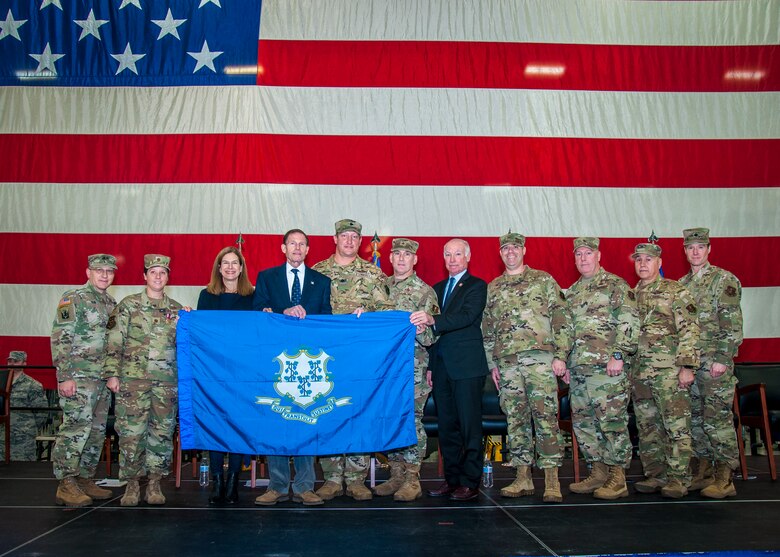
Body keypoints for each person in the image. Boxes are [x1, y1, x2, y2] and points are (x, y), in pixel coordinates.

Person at [479, 232, 570, 504]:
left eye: (515, 248)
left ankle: (552, 480)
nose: (510, 252)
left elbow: (561, 318)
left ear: (524, 250)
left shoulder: (543, 280)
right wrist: (492, 363)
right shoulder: (493, 287)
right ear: (500, 253)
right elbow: (487, 329)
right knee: (515, 420)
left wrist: (561, 355)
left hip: (540, 360)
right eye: (505, 248)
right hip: (507, 364)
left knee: (545, 418)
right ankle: (523, 477)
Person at [311, 219, 393, 501]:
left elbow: (386, 314)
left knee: (359, 412)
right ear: (334, 239)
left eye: (354, 237)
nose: (349, 240)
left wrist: (367, 314)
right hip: (325, 359)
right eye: (344, 235)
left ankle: (356, 478)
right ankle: (332, 478)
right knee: (326, 412)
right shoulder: (317, 272)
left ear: (360, 242)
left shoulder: (372, 274)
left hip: (360, 359)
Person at [253, 229, 332, 507]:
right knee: (277, 419)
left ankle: (305, 486)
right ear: (283, 248)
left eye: (302, 244)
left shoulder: (322, 281)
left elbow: (327, 321)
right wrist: (280, 313)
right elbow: (257, 312)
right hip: (275, 362)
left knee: (306, 420)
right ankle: (276, 485)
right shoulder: (266, 277)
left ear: (308, 250)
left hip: (308, 364)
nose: (297, 248)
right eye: (292, 244)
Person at [410, 238, 488, 502]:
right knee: (447, 428)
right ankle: (452, 480)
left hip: (467, 367)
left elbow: (467, 316)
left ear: (468, 257)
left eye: (457, 254)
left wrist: (433, 319)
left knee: (469, 427)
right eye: (448, 255)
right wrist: (431, 364)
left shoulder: (477, 286)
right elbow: (434, 334)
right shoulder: (438, 288)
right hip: (441, 367)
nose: (452, 259)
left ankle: (470, 481)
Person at [105, 254, 184, 507]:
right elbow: (115, 341)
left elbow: (184, 347)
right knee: (131, 433)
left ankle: (154, 483)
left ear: (168, 277)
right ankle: (131, 484)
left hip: (166, 383)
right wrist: (112, 374)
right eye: (153, 272)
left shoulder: (178, 310)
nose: (158, 276)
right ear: (144, 276)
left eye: (163, 272)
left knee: (161, 433)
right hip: (132, 381)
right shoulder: (128, 305)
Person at [565, 237, 638, 499]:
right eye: (579, 254)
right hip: (579, 369)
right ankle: (597, 473)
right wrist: (565, 361)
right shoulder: (571, 292)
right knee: (585, 424)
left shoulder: (615, 284)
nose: (583, 258)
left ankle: (617, 478)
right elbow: (565, 331)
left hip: (607, 368)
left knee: (612, 422)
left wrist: (618, 355)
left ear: (599, 256)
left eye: (588, 253)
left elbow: (628, 322)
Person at [631, 243, 700, 498]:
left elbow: (690, 329)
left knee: (676, 425)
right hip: (640, 374)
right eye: (638, 259)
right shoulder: (631, 294)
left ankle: (679, 478)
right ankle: (655, 475)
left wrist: (687, 366)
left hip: (669, 371)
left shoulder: (674, 290)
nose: (643, 263)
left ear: (659, 262)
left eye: (648, 259)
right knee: (648, 426)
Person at [679, 227, 743, 498]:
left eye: (700, 247)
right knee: (695, 419)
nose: (695, 252)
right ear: (684, 251)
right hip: (691, 364)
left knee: (717, 419)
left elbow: (732, 324)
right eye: (690, 247)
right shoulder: (681, 285)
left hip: (714, 363)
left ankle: (725, 477)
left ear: (709, 249)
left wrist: (722, 359)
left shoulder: (723, 280)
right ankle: (703, 472)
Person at [373, 238, 439, 502]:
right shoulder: (380, 289)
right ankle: (396, 475)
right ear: (390, 258)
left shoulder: (425, 292)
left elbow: (433, 338)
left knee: (411, 421)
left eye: (407, 255)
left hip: (412, 368)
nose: (401, 259)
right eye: (397, 254)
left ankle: (413, 477)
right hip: (384, 369)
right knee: (389, 419)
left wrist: (422, 329)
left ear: (415, 260)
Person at [51, 253, 118, 507]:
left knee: (97, 430)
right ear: (87, 272)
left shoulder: (111, 303)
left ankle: (85, 477)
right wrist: (64, 375)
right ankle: (66, 482)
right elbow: (60, 337)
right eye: (99, 269)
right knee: (75, 428)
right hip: (78, 377)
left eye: (109, 271)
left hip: (101, 378)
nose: (104, 274)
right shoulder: (73, 298)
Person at [197, 246, 255, 504]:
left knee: (238, 424)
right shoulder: (206, 296)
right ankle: (217, 482)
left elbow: (258, 335)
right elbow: (199, 332)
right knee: (215, 424)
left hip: (242, 373)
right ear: (218, 268)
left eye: (235, 263)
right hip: (214, 371)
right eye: (225, 263)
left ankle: (233, 481)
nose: (230, 267)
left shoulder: (253, 297)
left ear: (241, 268)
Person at [1, 351, 48, 462]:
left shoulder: (33, 385)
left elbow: (41, 412)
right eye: (9, 361)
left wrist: (28, 428)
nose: (11, 364)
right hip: (2, 435)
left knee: (22, 470)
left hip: (23, 438)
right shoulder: (1, 381)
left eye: (16, 361)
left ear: (24, 363)